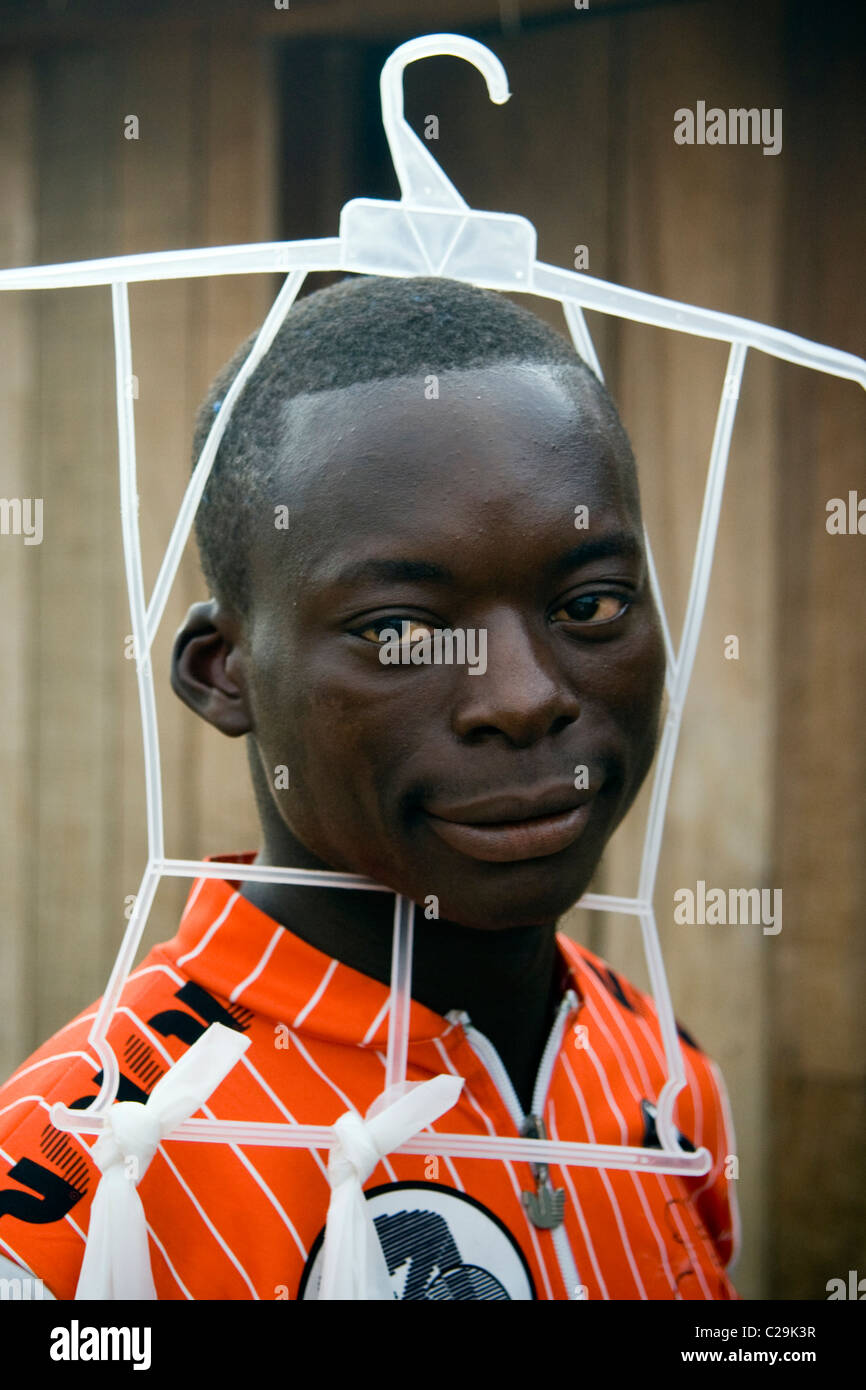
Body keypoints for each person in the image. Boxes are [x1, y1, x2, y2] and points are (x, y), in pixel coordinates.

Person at [0, 275, 738, 1300]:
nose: (522, 698)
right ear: (224, 672)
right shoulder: (81, 1172)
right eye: (400, 631)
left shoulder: (661, 1075)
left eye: (590, 602)